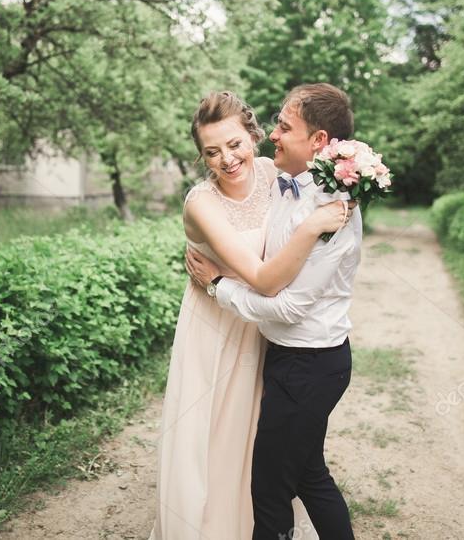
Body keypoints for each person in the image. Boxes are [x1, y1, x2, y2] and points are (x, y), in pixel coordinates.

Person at [149, 91, 351, 539]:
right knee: (217, 438)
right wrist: (311, 226)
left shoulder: (272, 171)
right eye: (212, 152)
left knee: (265, 445)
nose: (227, 159)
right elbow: (263, 278)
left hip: (268, 328)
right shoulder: (200, 203)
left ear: (254, 135)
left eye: (235, 144)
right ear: (202, 157)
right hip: (218, 329)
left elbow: (324, 159)